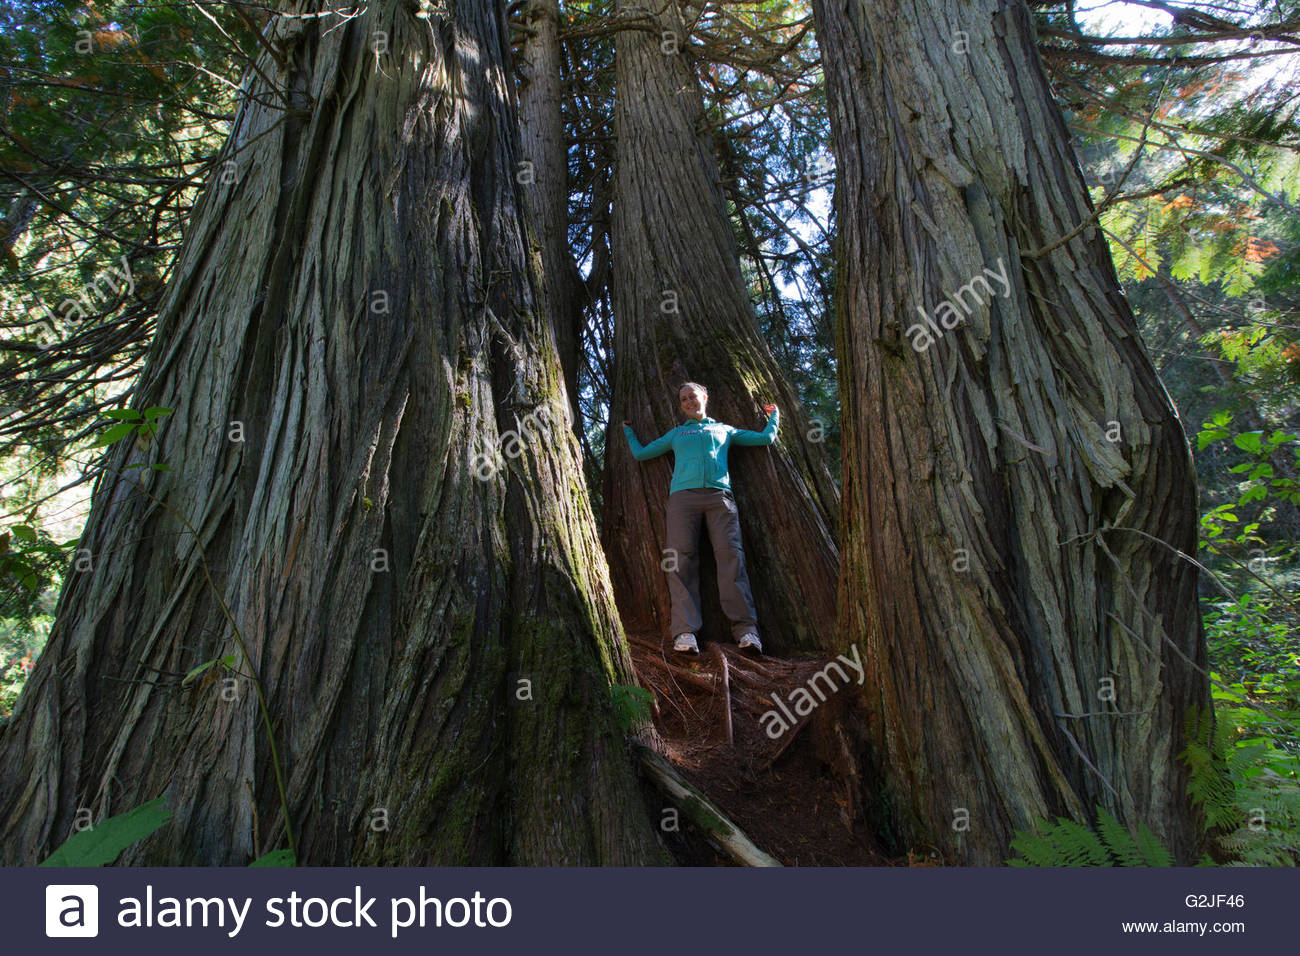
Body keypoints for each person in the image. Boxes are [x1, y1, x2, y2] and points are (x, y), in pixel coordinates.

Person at [622, 382, 778, 656]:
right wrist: (628, 431)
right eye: (683, 399)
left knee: (731, 557)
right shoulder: (677, 434)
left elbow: (765, 439)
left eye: (692, 396)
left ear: (704, 397)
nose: (688, 402)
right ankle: (684, 632)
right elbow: (641, 454)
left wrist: (774, 415)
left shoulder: (724, 430)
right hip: (683, 500)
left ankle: (747, 631)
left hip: (720, 498)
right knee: (680, 561)